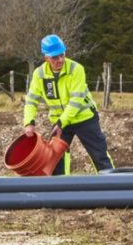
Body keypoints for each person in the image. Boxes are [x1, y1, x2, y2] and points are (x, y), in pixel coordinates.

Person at [22, 34, 114, 173]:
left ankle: (112, 186)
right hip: (60, 121)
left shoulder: (76, 69)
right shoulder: (39, 74)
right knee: (55, 159)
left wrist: (61, 123)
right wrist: (29, 122)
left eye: (62, 55)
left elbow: (76, 101)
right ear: (46, 58)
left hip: (84, 118)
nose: (60, 60)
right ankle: (59, 191)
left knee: (99, 155)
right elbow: (31, 100)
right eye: (55, 57)